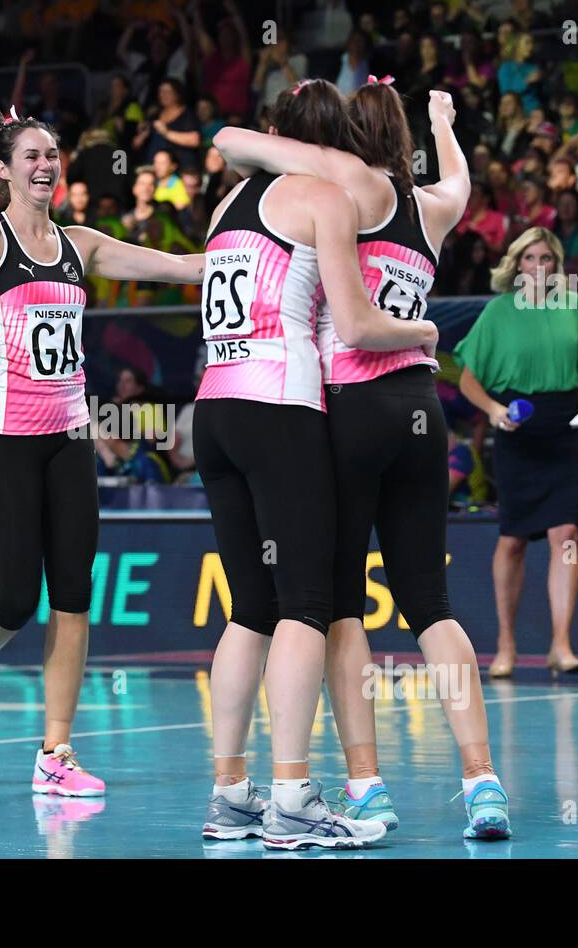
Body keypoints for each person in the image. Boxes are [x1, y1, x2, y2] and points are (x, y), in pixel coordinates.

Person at [0, 65, 203, 795]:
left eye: (53, 155)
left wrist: (244, 257)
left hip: (69, 437)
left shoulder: (80, 244)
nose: (46, 164)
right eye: (32, 155)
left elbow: (174, 266)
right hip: (5, 440)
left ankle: (56, 756)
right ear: (1, 168)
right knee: (17, 599)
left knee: (74, 599)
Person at [213, 83, 511, 841]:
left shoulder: (341, 184)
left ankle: (366, 782)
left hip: (347, 412)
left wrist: (290, 138)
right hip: (420, 414)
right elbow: (462, 182)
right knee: (432, 607)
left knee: (338, 607)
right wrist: (444, 124)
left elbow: (235, 143)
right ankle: (481, 781)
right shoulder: (432, 211)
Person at [456, 227, 578, 679]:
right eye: (530, 259)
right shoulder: (496, 313)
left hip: (564, 426)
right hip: (517, 427)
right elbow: (468, 378)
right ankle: (506, 644)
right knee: (513, 540)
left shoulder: (572, 307)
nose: (538, 267)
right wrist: (495, 410)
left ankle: (561, 645)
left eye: (546, 259)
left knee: (567, 535)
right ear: (516, 264)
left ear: (556, 264)